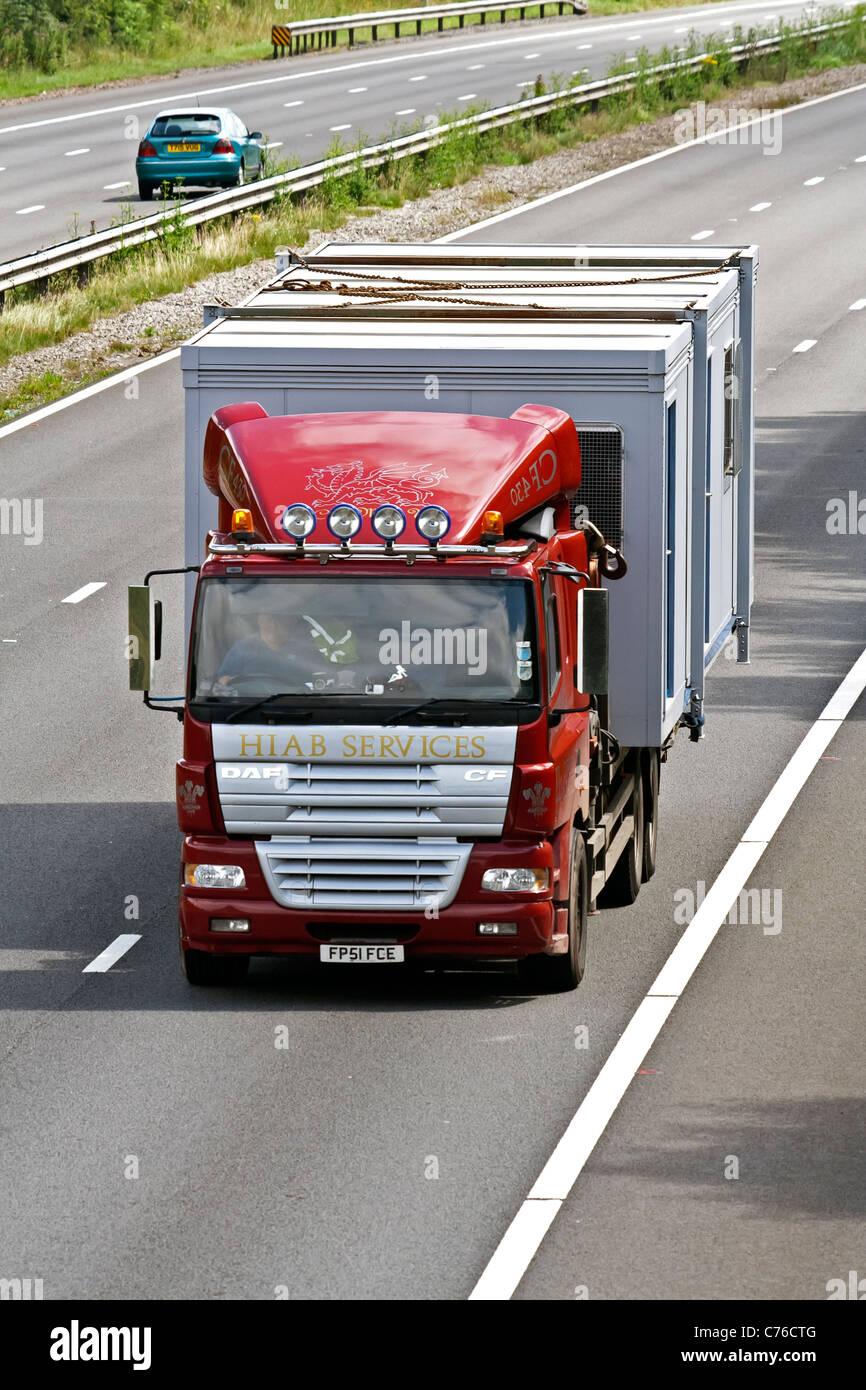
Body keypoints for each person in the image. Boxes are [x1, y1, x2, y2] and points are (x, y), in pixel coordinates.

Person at [216, 611, 315, 689]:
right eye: (269, 619)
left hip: (295, 708)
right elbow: (223, 681)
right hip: (248, 707)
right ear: (259, 621)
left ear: (288, 623)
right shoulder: (243, 648)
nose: (273, 625)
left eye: (279, 619)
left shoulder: (302, 650)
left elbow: (319, 681)